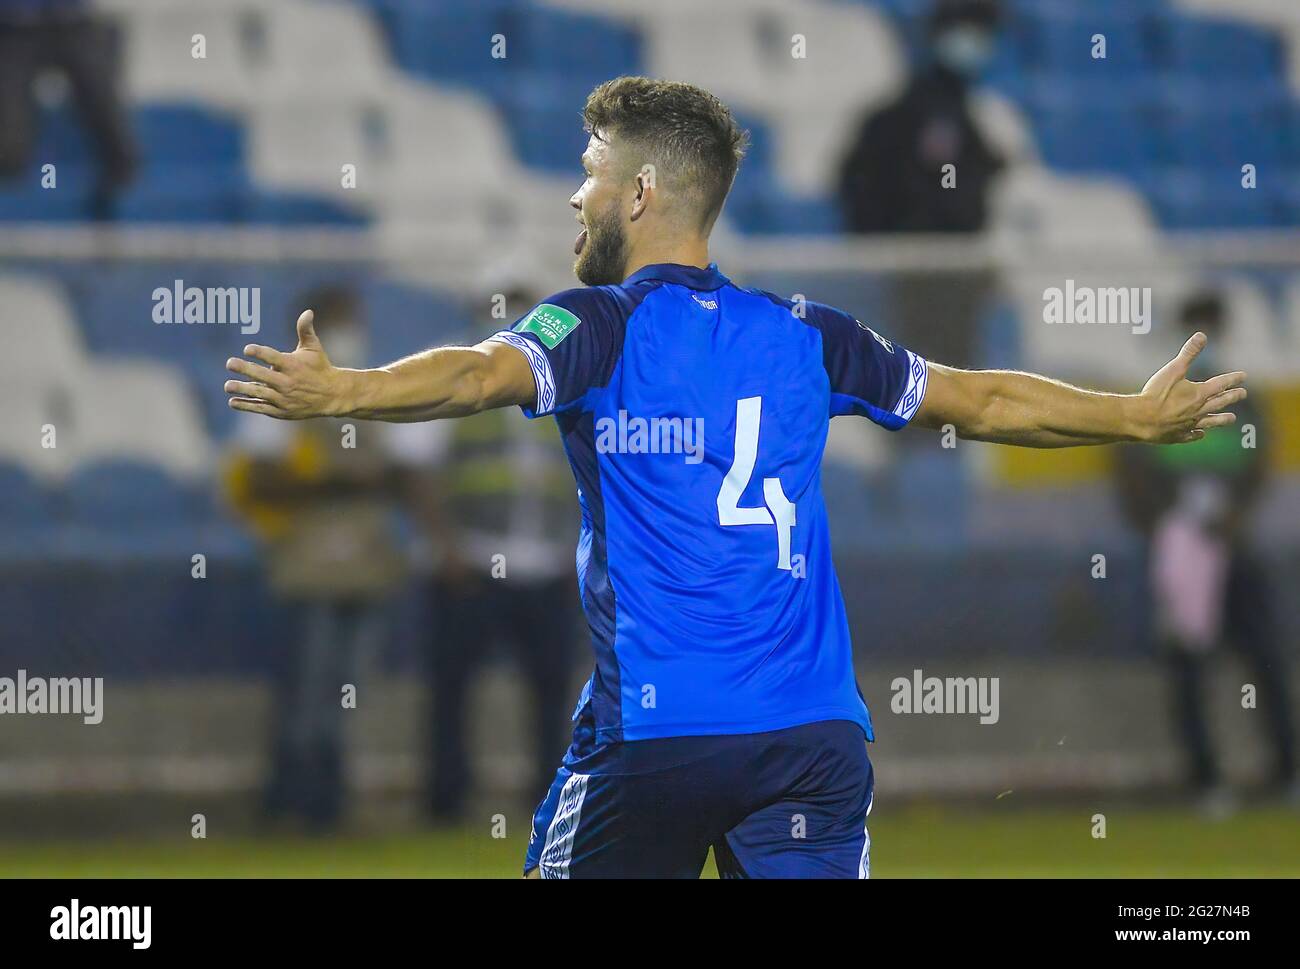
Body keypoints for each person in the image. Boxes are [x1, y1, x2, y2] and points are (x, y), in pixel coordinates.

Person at [224, 76, 1247, 877]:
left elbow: (476, 374)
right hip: (810, 737)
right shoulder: (808, 334)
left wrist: (345, 391)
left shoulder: (596, 325)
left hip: (659, 736)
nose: (572, 196)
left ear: (639, 194)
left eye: (588, 171)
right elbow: (978, 402)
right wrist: (1129, 416)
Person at [224, 286, 430, 829]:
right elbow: (259, 475)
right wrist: (330, 480)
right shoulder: (278, 387)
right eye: (340, 321)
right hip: (308, 564)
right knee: (306, 687)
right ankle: (290, 796)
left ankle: (326, 803)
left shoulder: (375, 384)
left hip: (366, 562)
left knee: (346, 691)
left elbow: (410, 469)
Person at [1116, 291, 1296, 814]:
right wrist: (1168, 527)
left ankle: (1286, 770)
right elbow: (1133, 475)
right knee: (1189, 663)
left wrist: (1232, 518)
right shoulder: (1154, 400)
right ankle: (1206, 779)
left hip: (1234, 546)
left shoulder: (1246, 400)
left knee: (1264, 655)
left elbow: (1260, 463)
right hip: (1181, 551)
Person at [416, 281, 579, 823]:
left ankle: (549, 800)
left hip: (547, 565)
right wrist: (446, 550)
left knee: (552, 694)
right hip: (474, 562)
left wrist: (576, 551)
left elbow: (587, 474)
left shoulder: (568, 375)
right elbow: (420, 470)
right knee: (453, 691)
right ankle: (446, 800)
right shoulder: (453, 368)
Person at [837, 0, 1005, 370]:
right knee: (922, 377)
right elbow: (860, 182)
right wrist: (893, 244)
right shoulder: (914, 113)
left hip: (957, 275)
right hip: (919, 276)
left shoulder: (971, 111)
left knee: (943, 378)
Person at [0, 0, 137, 218]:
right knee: (10, 141)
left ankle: (121, 194)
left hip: (72, 21)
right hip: (12, 26)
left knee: (106, 113)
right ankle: (13, 209)